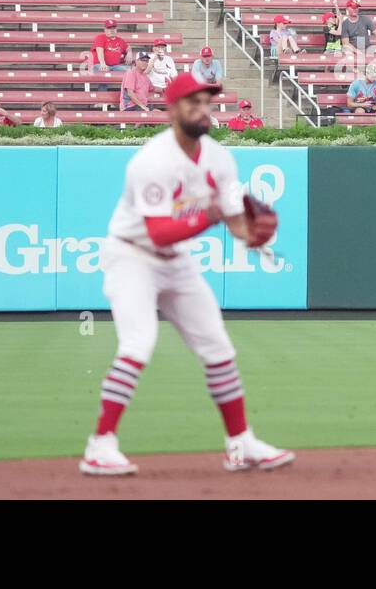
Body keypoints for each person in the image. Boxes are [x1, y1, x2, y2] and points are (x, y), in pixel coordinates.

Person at [77, 71, 293, 476]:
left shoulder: (219, 158)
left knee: (218, 348)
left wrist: (251, 235)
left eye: (207, 102)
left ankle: (240, 444)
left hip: (176, 260)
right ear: (172, 109)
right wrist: (211, 216)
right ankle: (99, 446)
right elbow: (159, 232)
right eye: (193, 102)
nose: (203, 109)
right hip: (132, 256)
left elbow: (233, 218)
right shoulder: (152, 161)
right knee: (138, 344)